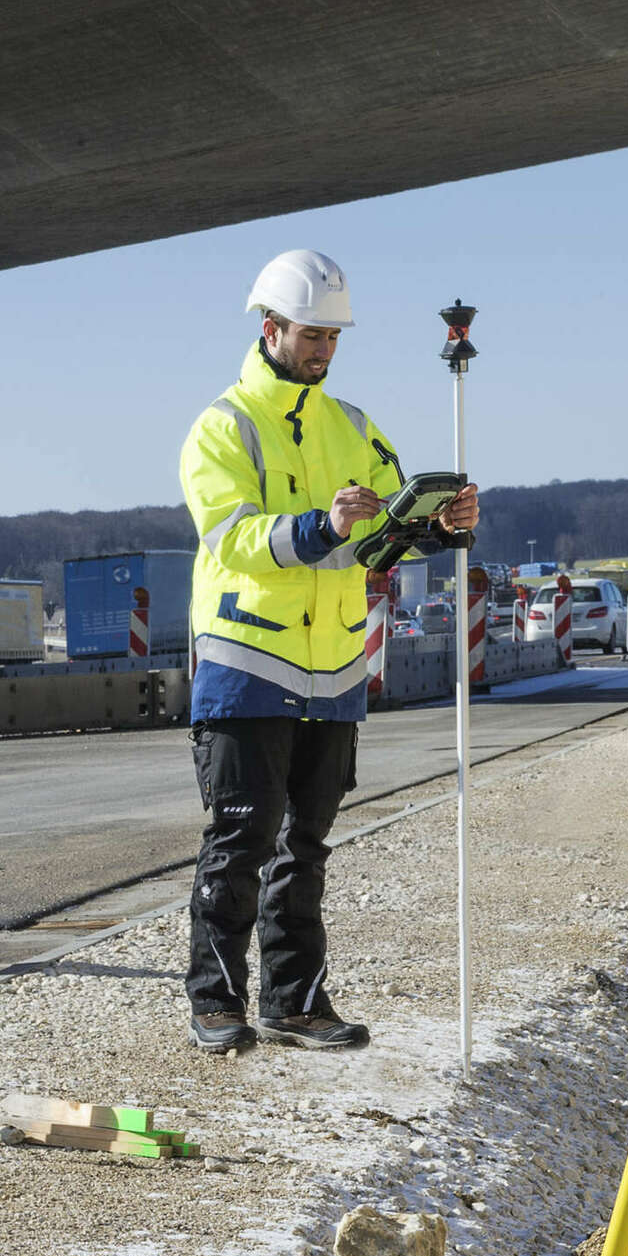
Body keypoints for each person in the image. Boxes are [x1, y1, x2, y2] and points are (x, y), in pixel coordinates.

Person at [177, 250, 479, 1052]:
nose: (323, 349)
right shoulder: (224, 425)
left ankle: (295, 1000)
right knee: (242, 837)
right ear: (270, 327)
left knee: (304, 847)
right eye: (311, 334)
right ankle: (216, 999)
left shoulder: (353, 426)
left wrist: (433, 525)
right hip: (247, 663)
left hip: (336, 667)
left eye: (333, 336)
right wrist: (323, 525)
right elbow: (233, 537)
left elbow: (380, 545)